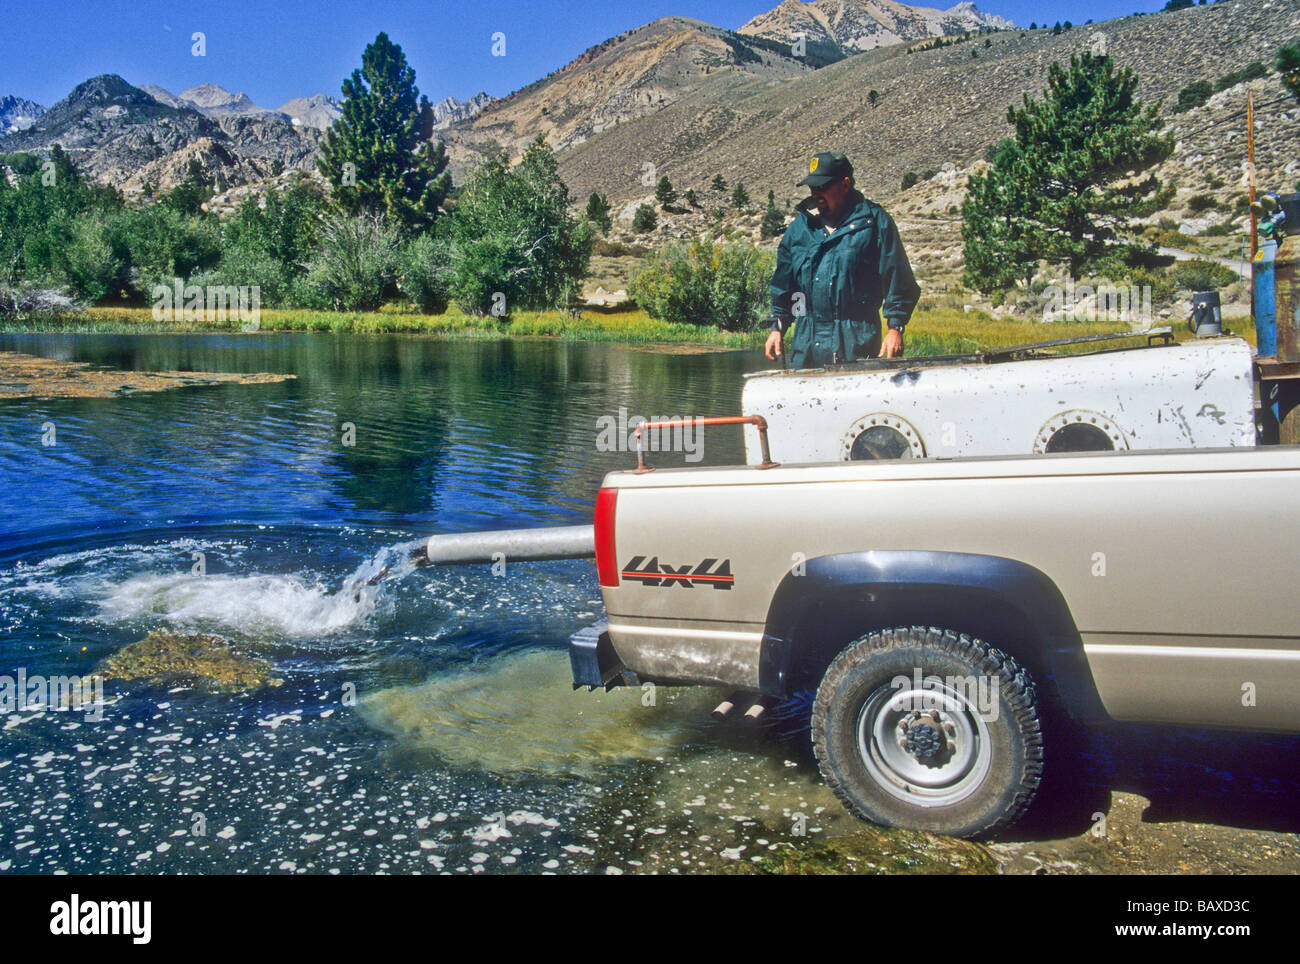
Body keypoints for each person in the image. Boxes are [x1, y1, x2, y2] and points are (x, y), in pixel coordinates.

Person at [765, 152, 920, 367]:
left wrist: (895, 328)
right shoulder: (800, 228)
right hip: (806, 349)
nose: (816, 193)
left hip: (855, 345)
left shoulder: (875, 223)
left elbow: (898, 280)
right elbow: (790, 288)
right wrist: (778, 327)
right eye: (812, 188)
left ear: (845, 184)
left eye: (823, 187)